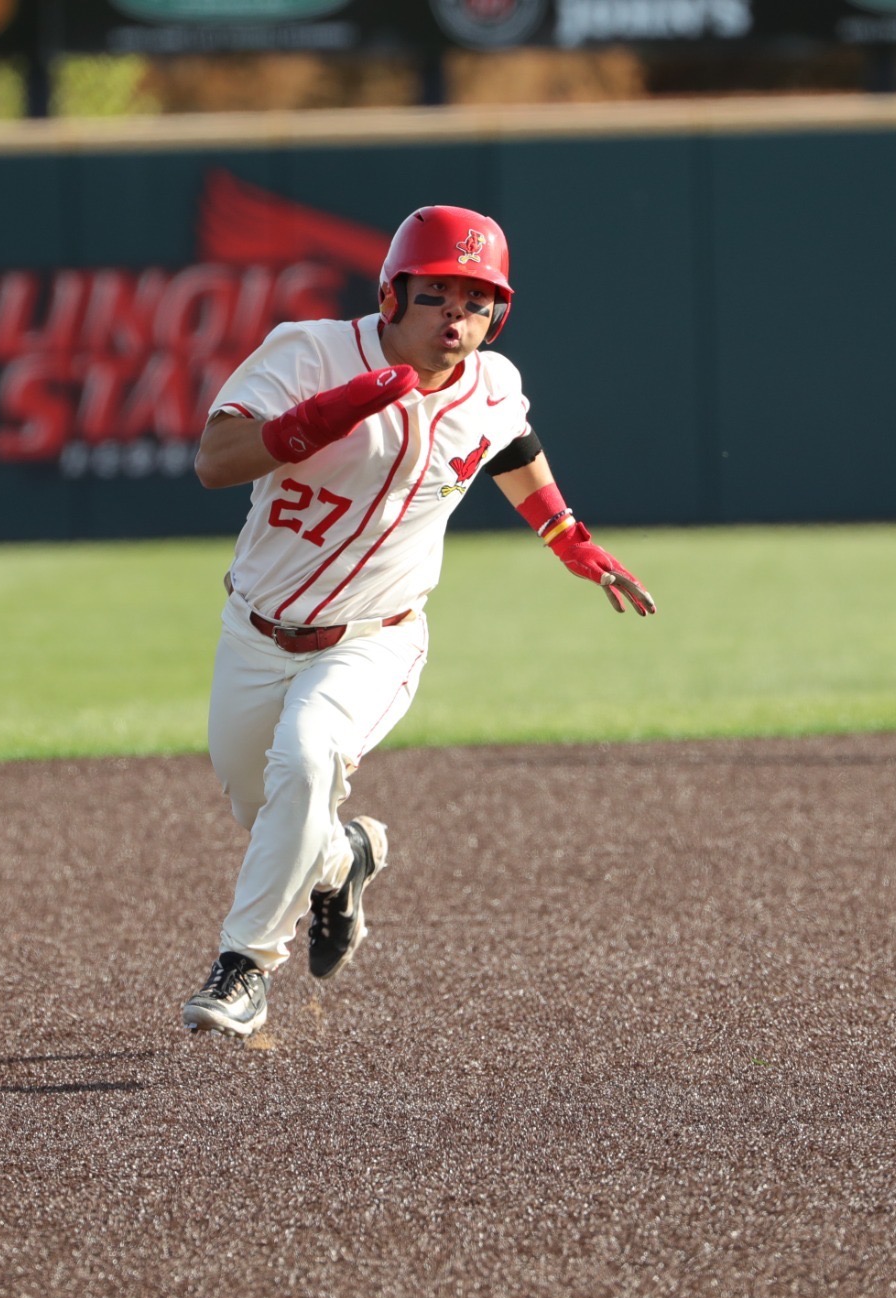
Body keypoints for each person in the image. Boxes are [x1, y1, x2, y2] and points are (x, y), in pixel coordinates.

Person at [179, 204, 656, 1037]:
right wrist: (309, 423)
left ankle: (244, 966)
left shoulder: (491, 383)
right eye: (436, 294)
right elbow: (214, 461)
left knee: (309, 756)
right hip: (256, 630)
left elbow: (512, 443)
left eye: (477, 301)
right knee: (268, 809)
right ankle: (344, 860)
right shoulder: (311, 353)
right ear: (392, 294)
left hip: (376, 636)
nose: (456, 317)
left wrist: (567, 536)